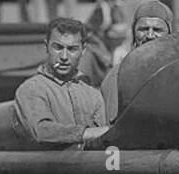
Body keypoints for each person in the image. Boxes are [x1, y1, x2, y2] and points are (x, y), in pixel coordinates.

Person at [12, 17, 109, 148]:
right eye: (58, 47)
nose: (64, 57)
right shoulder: (31, 89)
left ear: (83, 50)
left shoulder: (93, 95)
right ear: (46, 47)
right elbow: (41, 131)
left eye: (72, 49)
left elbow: (104, 138)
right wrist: (85, 133)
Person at [101, 0, 173, 121]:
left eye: (157, 30)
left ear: (170, 34)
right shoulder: (118, 76)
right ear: (134, 33)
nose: (150, 36)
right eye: (143, 29)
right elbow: (111, 126)